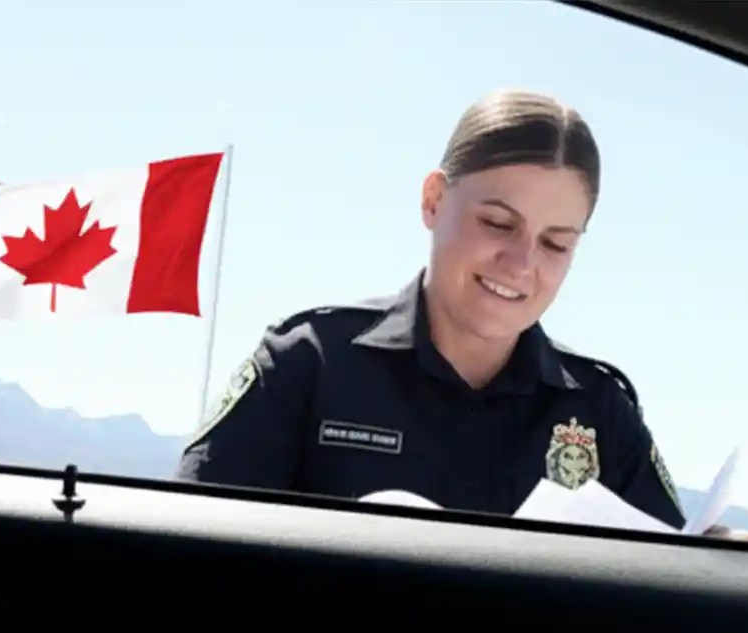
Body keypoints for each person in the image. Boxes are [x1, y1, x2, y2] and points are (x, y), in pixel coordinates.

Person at [176, 89, 689, 530]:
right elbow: (191, 546)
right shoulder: (310, 363)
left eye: (556, 244)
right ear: (434, 200)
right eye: (497, 223)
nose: (521, 263)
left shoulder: (600, 413)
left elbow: (676, 579)